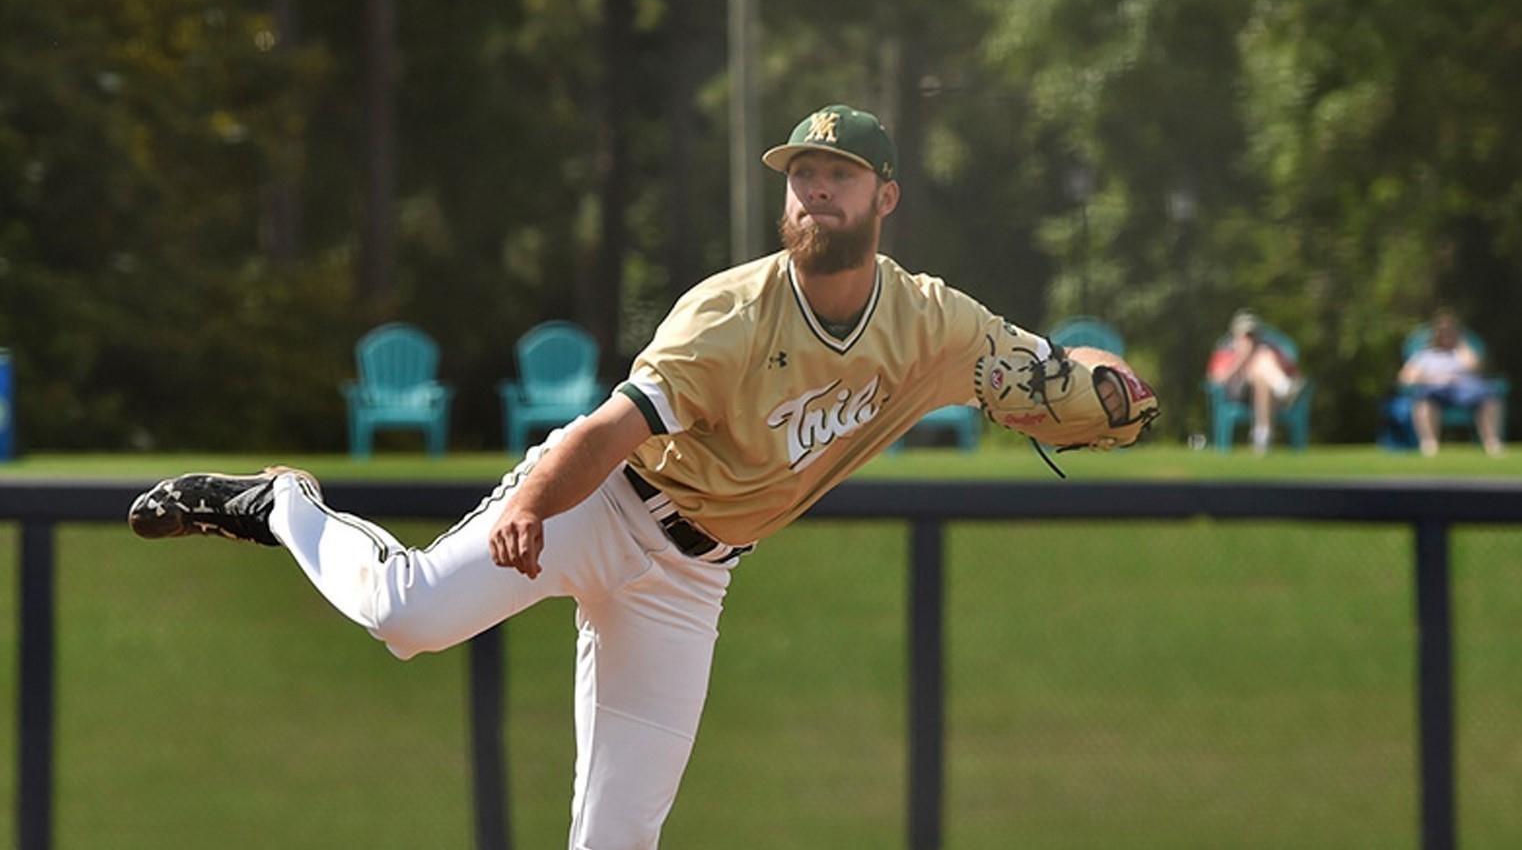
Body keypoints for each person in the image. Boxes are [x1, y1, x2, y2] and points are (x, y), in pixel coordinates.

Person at [127, 104, 1154, 848]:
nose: (813, 190)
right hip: (598, 503)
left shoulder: (931, 322)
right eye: (800, 173)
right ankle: (281, 502)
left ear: (883, 195)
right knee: (406, 617)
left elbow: (1051, 375)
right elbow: (613, 423)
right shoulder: (732, 313)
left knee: (619, 835)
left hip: (692, 578)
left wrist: (1112, 393)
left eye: (836, 173)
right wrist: (533, 503)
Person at [1398, 308, 1504, 457]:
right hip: (1436, 389)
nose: (1446, 335)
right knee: (1423, 400)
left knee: (1488, 396)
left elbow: (1475, 367)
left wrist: (1460, 343)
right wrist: (1432, 379)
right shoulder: (1425, 355)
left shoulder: (1461, 352)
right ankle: (1430, 445)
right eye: (1442, 332)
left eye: (1450, 331)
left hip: (1465, 389)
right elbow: (1406, 377)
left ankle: (1492, 443)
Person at [1205, 308, 1305, 454]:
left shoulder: (1270, 349)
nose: (1250, 338)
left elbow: (1297, 376)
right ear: (1236, 333)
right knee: (1263, 360)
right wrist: (1242, 358)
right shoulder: (1226, 351)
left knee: (1262, 377)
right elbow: (1217, 380)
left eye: (1253, 334)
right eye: (1246, 334)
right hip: (1238, 392)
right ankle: (1283, 387)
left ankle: (1262, 435)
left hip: (1267, 392)